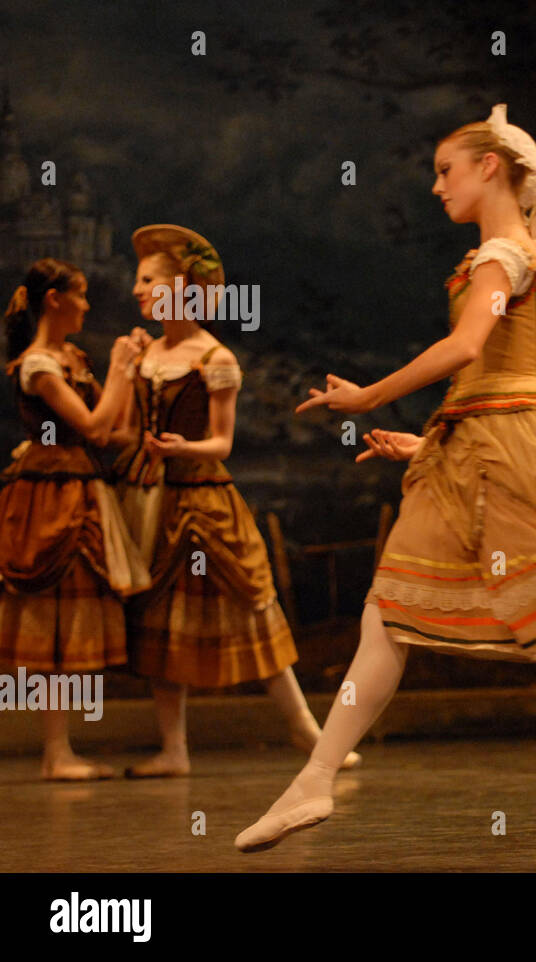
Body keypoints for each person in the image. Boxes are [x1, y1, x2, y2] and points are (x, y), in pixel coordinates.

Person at [236, 105, 536, 853]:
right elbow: (483, 374)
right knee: (389, 615)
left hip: (507, 450)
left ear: (489, 166)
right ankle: (315, 780)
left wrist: (368, 396)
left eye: (446, 170)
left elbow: (467, 348)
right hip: (470, 446)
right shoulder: (516, 250)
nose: (437, 187)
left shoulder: (504, 254)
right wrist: (419, 442)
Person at [114, 225, 355, 776]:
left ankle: (306, 731)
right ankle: (174, 749)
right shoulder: (147, 352)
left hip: (205, 500)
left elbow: (222, 443)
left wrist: (182, 446)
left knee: (252, 608)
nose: (136, 290)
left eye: (148, 279)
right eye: (138, 279)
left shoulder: (214, 357)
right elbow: (126, 430)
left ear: (181, 287)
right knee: (160, 622)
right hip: (155, 502)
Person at [0, 259, 148, 778]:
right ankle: (54, 752)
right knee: (52, 617)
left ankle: (59, 750)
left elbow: (109, 433)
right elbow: (90, 422)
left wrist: (132, 384)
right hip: (49, 493)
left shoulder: (72, 357)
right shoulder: (39, 365)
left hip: (81, 486)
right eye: (80, 296)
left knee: (71, 616)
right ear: (56, 299)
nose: (87, 305)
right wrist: (123, 367)